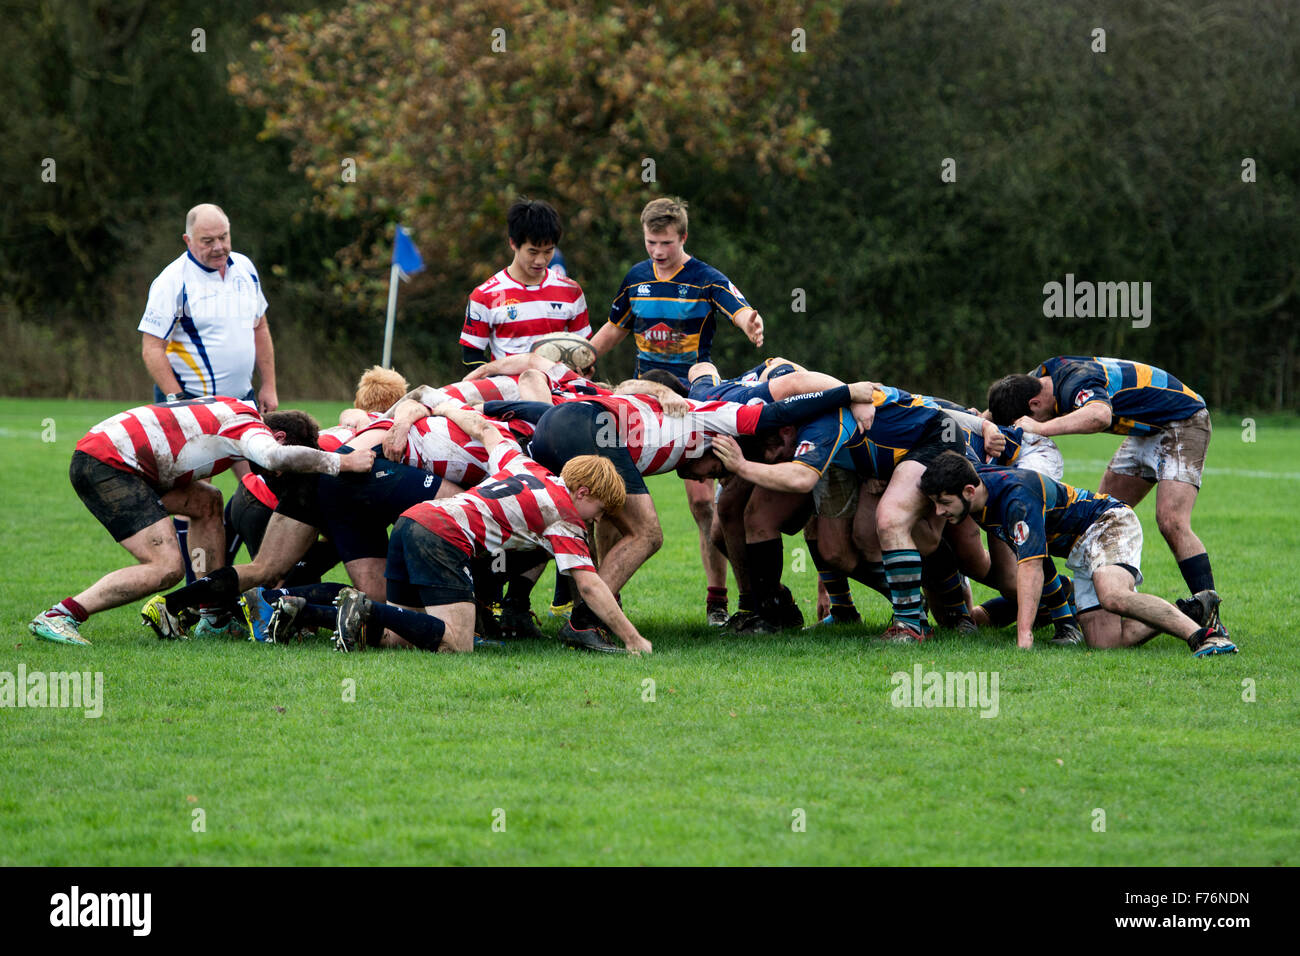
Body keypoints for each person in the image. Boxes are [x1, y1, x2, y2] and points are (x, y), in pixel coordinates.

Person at [308, 403, 651, 655]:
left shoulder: (523, 464)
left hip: (412, 519)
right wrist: (633, 639)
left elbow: (486, 430)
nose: (596, 520)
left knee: (397, 639)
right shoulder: (563, 515)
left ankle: (296, 605)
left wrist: (446, 407)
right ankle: (365, 607)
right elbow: (590, 586)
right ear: (583, 492)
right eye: (600, 510)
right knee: (458, 644)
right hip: (440, 536)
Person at [27, 399, 373, 646]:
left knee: (208, 502)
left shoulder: (240, 411)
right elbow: (274, 456)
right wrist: (343, 463)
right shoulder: (251, 429)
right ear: (279, 436)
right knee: (166, 568)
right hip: (108, 463)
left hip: (119, 456)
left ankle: (212, 617)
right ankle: (61, 615)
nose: (277, 475)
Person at [588, 198, 765, 624]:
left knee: (704, 503)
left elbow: (737, 308)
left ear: (683, 237)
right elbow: (615, 327)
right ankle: (606, 600)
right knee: (610, 496)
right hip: (641, 402)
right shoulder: (635, 279)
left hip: (691, 403)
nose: (658, 251)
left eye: (666, 242)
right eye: (651, 242)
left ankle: (719, 600)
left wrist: (749, 323)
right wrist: (581, 356)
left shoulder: (705, 278)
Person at [987, 355, 1224, 634]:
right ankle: (1087, 605)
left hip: (1183, 420)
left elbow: (1099, 415)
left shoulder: (1077, 381)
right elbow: (1011, 397)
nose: (1032, 429)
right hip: (1145, 431)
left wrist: (1040, 428)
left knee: (1171, 521)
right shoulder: (1041, 377)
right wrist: (982, 420)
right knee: (1096, 522)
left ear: (1035, 405)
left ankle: (1211, 618)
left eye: (1031, 419)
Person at [920, 451, 1236, 656]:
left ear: (969, 491)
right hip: (1080, 550)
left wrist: (1024, 635)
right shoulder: (974, 484)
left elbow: (1031, 569)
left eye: (943, 502)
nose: (938, 510)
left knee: (1112, 595)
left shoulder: (1016, 500)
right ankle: (1193, 609)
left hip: (1107, 523)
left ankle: (1204, 636)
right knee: (1105, 642)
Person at [139, 204, 278, 412]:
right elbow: (152, 348)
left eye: (223, 237)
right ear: (188, 240)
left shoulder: (245, 267)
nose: (218, 247)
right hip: (193, 402)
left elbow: (260, 328)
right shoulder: (171, 281)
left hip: (244, 400)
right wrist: (178, 400)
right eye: (208, 241)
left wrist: (269, 385)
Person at [459, 198, 590, 370]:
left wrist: (585, 369)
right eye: (533, 252)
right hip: (510, 391)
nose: (540, 260)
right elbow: (471, 356)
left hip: (563, 390)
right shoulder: (484, 296)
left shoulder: (571, 291)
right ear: (513, 243)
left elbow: (584, 351)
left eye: (548, 251)